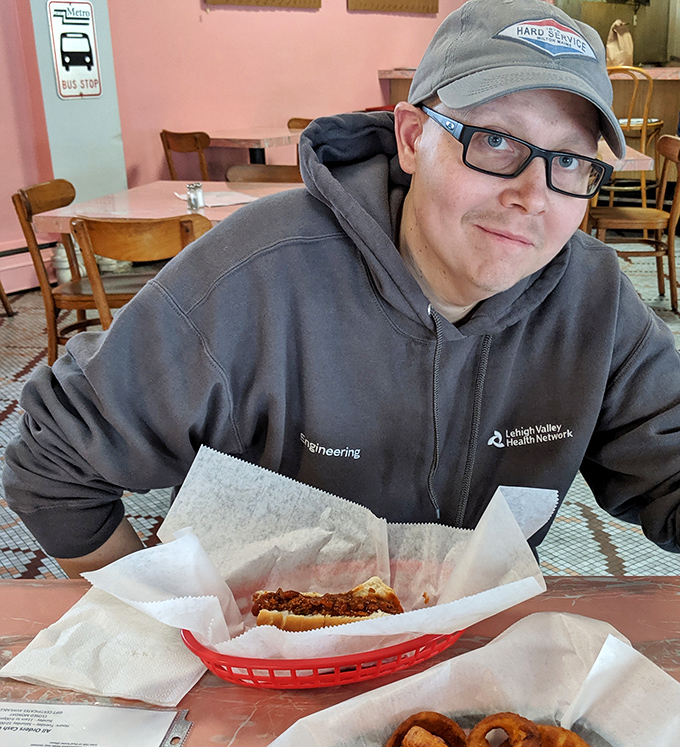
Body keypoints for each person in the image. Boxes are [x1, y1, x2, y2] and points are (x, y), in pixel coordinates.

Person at [6, 0, 680, 578]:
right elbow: (53, 465)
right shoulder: (257, 271)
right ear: (414, 139)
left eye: (568, 160)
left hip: (468, 662)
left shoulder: (595, 299)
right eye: (496, 141)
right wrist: (161, 627)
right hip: (266, 659)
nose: (532, 196)